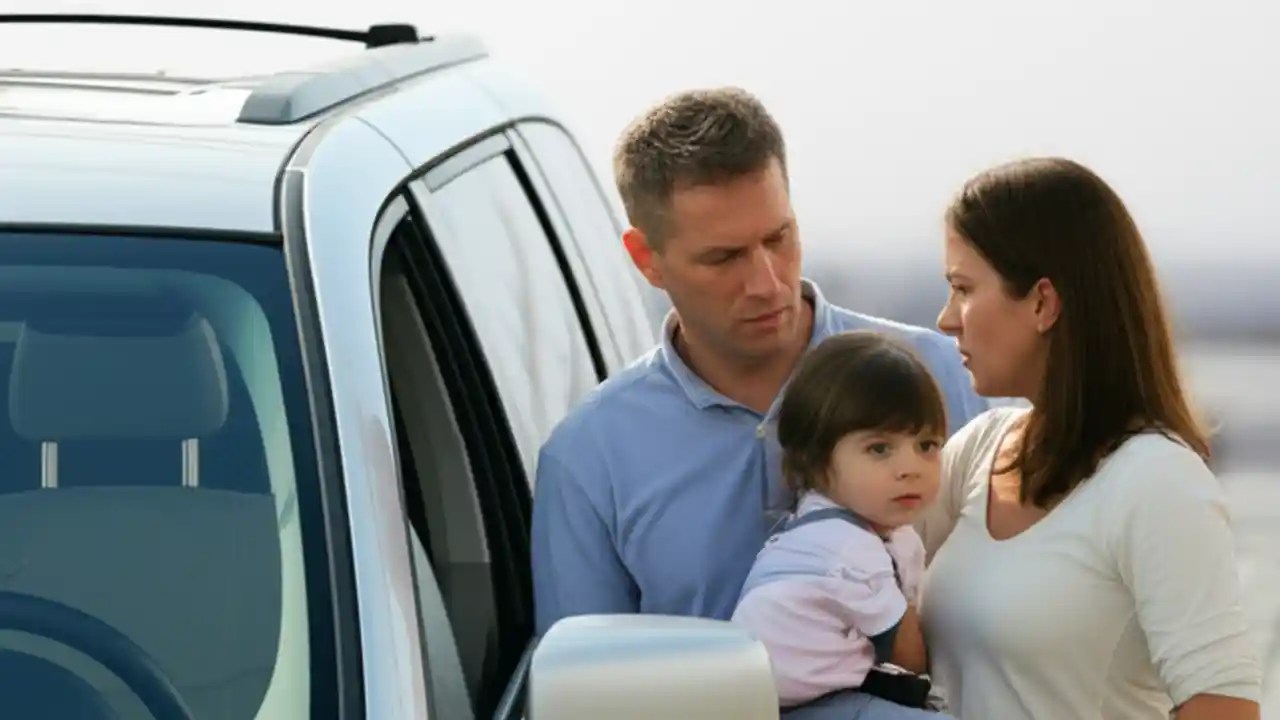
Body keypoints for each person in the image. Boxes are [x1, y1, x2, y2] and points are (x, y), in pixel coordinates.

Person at [530, 86, 987, 637]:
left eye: (779, 238)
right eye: (723, 258)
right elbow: (584, 688)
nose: (767, 283)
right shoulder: (588, 459)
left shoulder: (944, 374)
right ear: (646, 258)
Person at [918, 157, 1262, 719]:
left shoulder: (1157, 480)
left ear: (1042, 303)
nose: (946, 319)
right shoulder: (979, 449)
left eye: (963, 288)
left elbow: (1223, 707)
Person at [731, 331, 955, 719]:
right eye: (879, 449)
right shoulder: (843, 545)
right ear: (817, 460)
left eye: (927, 446)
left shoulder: (840, 527)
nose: (910, 469)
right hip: (800, 705)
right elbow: (907, 651)